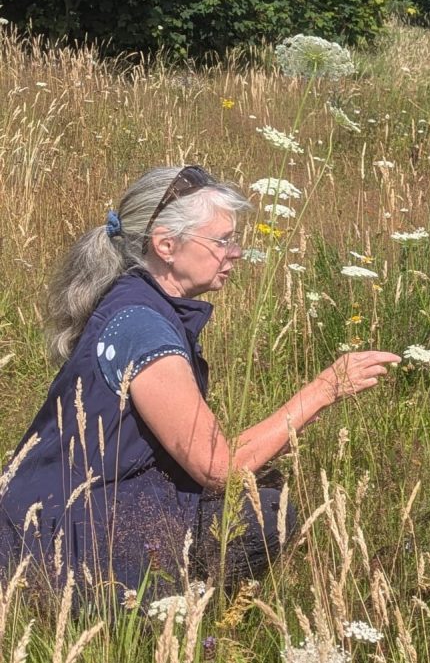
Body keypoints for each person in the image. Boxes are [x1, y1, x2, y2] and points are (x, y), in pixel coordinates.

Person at [0, 165, 400, 598]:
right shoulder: (144, 329)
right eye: (222, 240)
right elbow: (217, 467)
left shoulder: (139, 302)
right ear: (166, 245)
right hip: (53, 537)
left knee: (261, 488)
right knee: (262, 512)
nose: (237, 252)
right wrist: (325, 389)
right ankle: (152, 615)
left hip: (54, 514)